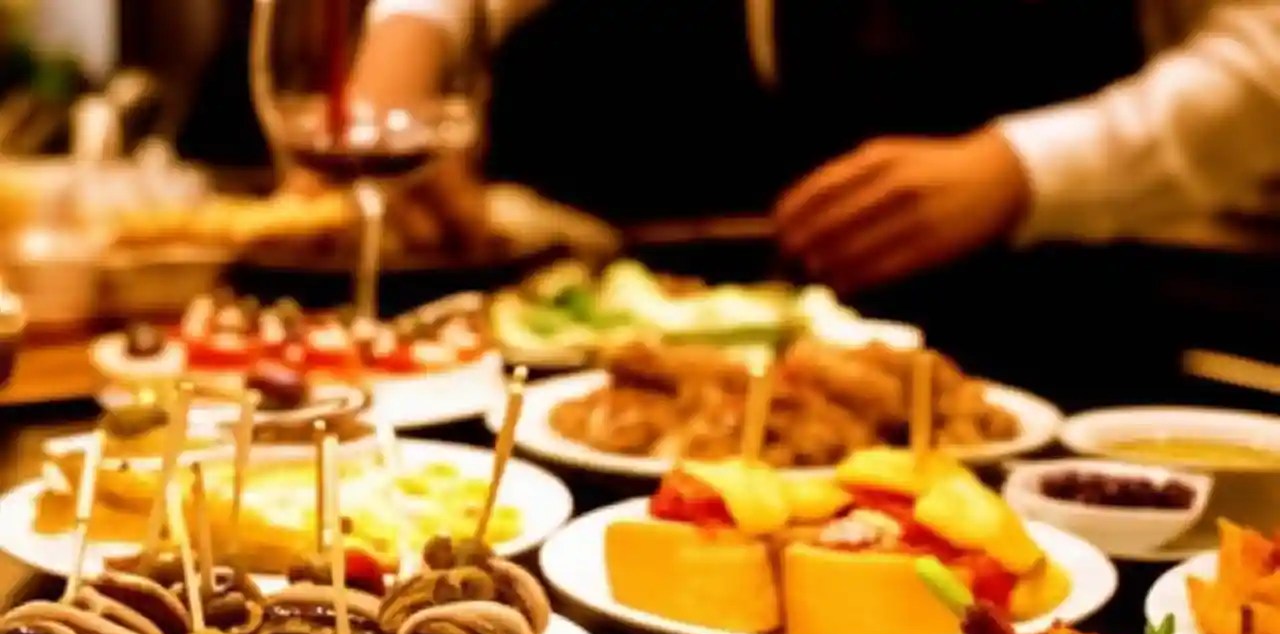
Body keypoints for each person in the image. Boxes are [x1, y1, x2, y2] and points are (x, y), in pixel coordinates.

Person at [360, 1, 1280, 291]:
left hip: (1051, 322)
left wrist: (1027, 171)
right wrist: (411, 36)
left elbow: (1264, 56)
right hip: (686, 330)